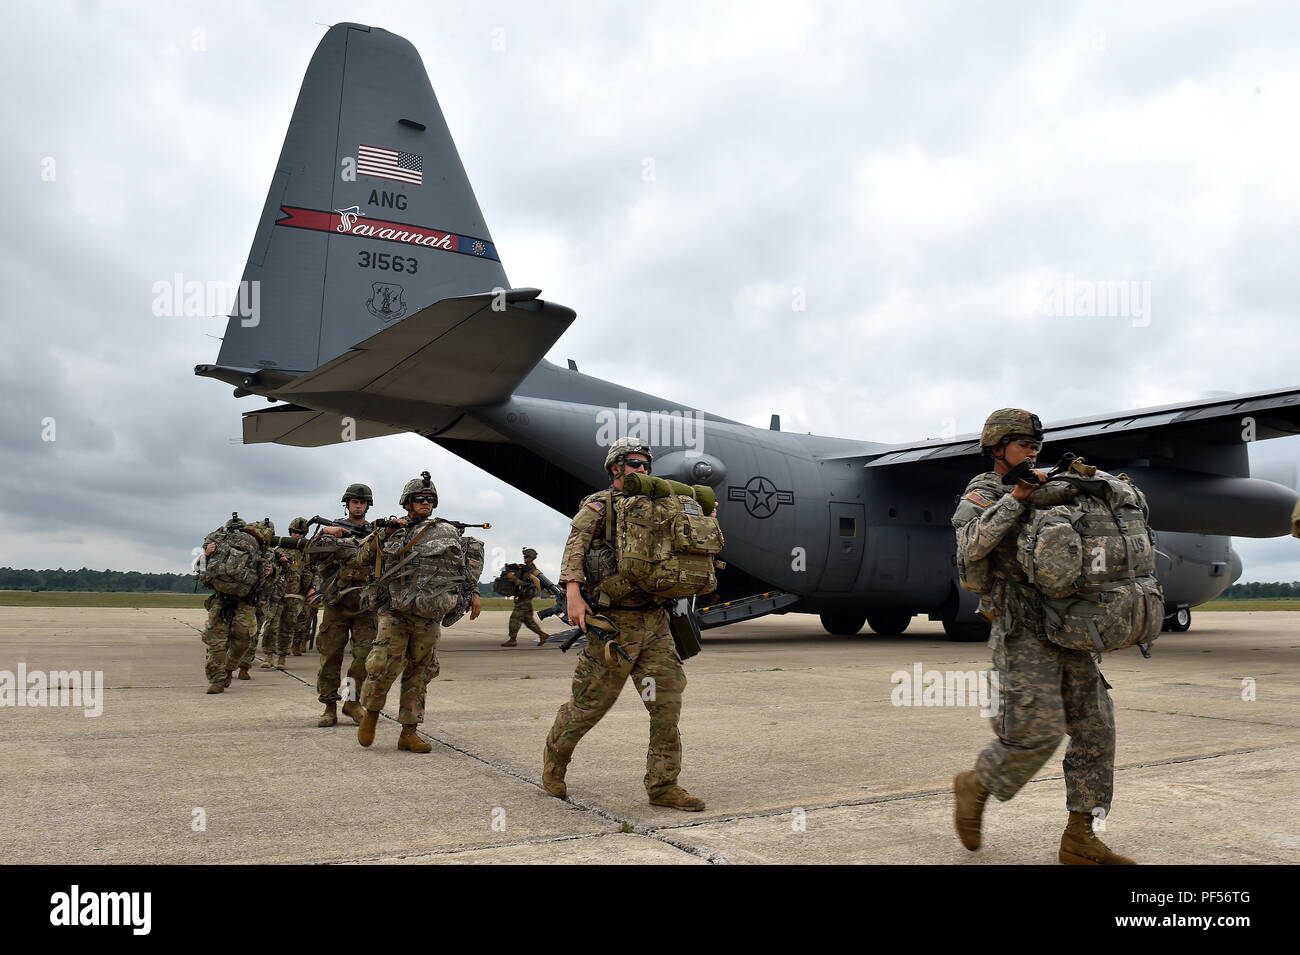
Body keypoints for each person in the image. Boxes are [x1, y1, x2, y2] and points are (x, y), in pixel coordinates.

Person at [951, 408, 1133, 865]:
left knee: (1097, 728)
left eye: (1035, 445)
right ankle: (976, 784)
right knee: (1037, 733)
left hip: (1068, 625)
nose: (1032, 452)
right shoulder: (984, 490)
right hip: (1020, 629)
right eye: (1022, 444)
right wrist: (1016, 497)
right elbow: (970, 544)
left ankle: (1080, 838)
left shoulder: (1050, 488)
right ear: (996, 448)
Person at [542, 437, 704, 811]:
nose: (642, 470)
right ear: (615, 468)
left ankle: (663, 785)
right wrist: (573, 592)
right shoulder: (600, 506)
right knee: (589, 705)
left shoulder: (660, 506)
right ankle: (555, 761)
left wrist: (700, 524)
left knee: (665, 704)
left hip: (655, 622)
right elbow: (576, 547)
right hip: (613, 625)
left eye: (646, 464)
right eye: (634, 463)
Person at [355, 472, 482, 752]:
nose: (425, 503)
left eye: (429, 499)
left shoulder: (446, 532)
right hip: (395, 612)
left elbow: (461, 566)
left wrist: (473, 592)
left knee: (420, 673)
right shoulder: (393, 531)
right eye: (419, 499)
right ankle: (371, 716)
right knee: (383, 666)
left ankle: (408, 732)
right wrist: (384, 533)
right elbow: (362, 558)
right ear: (407, 503)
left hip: (428, 615)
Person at [306, 484, 377, 727]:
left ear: (368, 505)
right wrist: (324, 533)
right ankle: (328, 706)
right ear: (347, 504)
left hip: (366, 606)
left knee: (365, 657)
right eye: (354, 501)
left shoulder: (375, 532)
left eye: (362, 502)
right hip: (337, 603)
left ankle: (351, 701)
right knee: (330, 656)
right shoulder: (333, 529)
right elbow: (310, 556)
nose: (358, 505)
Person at [198, 515, 272, 694]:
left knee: (243, 641)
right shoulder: (217, 547)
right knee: (216, 642)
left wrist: (272, 572)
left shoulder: (263, 552)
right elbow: (202, 572)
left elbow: (266, 583)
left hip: (245, 602)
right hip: (221, 600)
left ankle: (229, 669)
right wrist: (205, 556)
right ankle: (217, 679)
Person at [257, 518, 310, 669]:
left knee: (288, 627)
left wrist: (307, 591)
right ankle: (269, 656)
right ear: (290, 532)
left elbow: (309, 572)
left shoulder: (306, 553)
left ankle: (282, 658)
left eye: (301, 534)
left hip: (294, 595)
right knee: (271, 625)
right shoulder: (277, 549)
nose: (298, 536)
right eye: (295, 532)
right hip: (276, 593)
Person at [501, 548, 549, 646]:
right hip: (523, 598)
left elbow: (525, 585)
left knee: (514, 619)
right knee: (528, 621)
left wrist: (512, 578)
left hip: (526, 598)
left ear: (532, 558)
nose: (525, 558)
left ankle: (512, 640)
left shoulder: (533, 572)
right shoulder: (525, 569)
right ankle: (542, 634)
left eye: (527, 557)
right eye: (524, 557)